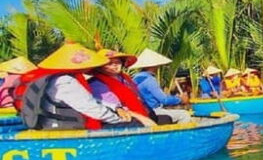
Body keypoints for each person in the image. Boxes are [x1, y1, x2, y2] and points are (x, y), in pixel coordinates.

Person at [15, 43, 149, 130]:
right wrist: (118, 119)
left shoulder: (52, 77)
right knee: (138, 125)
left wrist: (116, 108)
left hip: (47, 124)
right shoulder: (65, 81)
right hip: (61, 129)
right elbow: (92, 108)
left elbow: (88, 100)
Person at [89, 49, 161, 125]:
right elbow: (117, 108)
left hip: (142, 113)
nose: (114, 65)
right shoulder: (96, 83)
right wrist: (145, 119)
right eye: (109, 63)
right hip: (122, 118)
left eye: (117, 62)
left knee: (165, 119)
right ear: (100, 67)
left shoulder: (125, 79)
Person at [129, 49, 192, 124]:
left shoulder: (136, 78)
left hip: (143, 110)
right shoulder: (149, 79)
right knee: (185, 115)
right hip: (153, 111)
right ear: (155, 65)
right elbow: (164, 100)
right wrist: (180, 99)